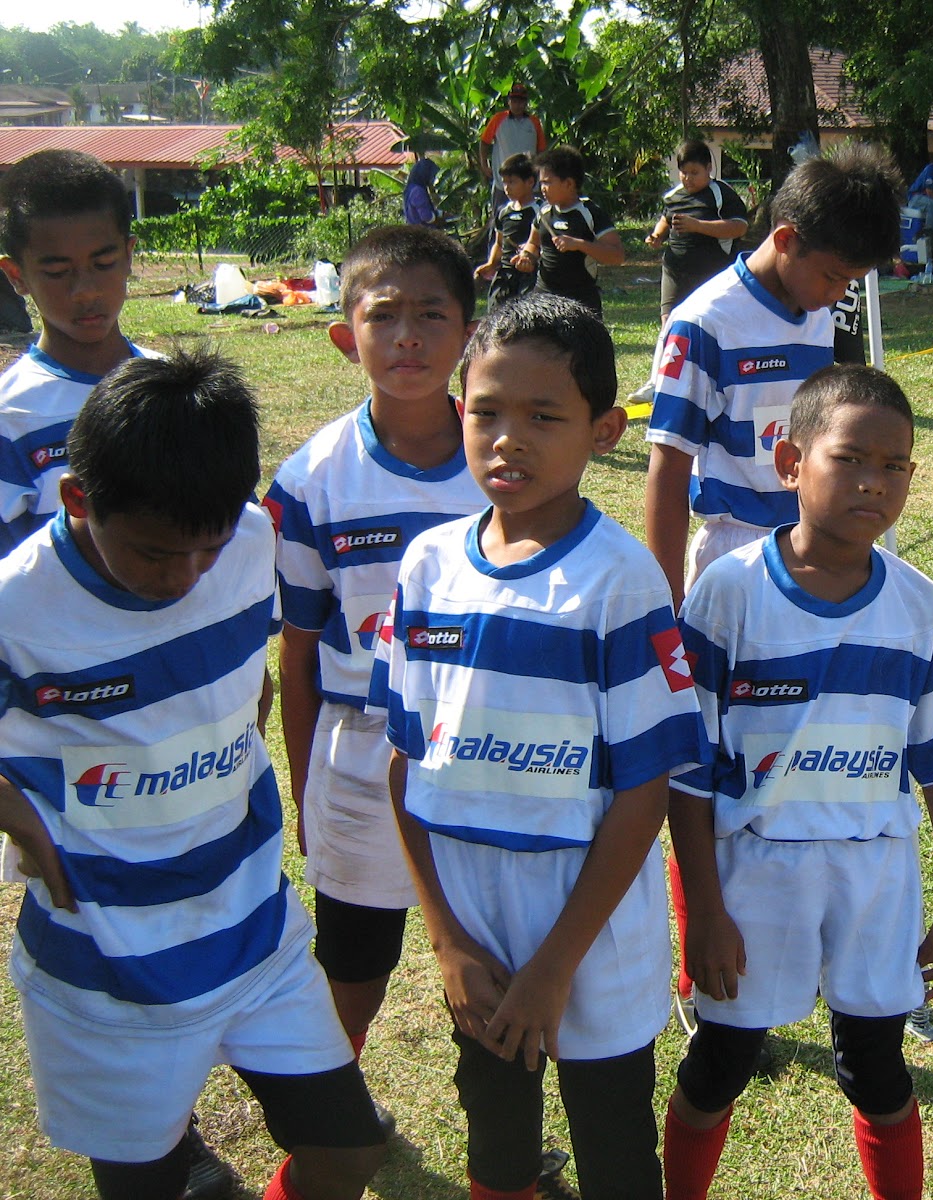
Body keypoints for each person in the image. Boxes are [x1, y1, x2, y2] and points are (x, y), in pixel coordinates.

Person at [0, 349, 388, 1200]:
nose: (183, 579)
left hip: (251, 923)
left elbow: (243, 672)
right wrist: (13, 810)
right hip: (108, 963)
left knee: (349, 1153)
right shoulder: (15, 607)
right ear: (76, 499)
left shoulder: (250, 542)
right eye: (151, 554)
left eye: (203, 553)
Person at [371, 293, 708, 1200]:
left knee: (612, 1152)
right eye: (486, 411)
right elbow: (403, 762)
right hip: (473, 926)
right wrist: (445, 941)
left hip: (590, 933)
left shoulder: (619, 581)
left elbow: (644, 792)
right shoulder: (428, 567)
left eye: (542, 417)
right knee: (497, 1140)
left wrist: (556, 967)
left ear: (603, 432)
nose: (507, 439)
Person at [662, 363, 933, 1200]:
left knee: (875, 1068)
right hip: (757, 871)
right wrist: (702, 908)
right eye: (849, 459)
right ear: (789, 461)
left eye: (895, 467)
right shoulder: (725, 597)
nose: (872, 484)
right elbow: (687, 770)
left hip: (874, 871)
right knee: (722, 1063)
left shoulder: (918, 606)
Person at [643, 141, 902, 1045]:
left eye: (853, 280)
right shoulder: (703, 322)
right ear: (785, 238)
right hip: (738, 571)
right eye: (834, 273)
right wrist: (666, 603)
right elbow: (667, 466)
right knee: (714, 762)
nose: (840, 294)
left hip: (825, 560)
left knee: (826, 743)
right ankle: (700, 964)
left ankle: (850, 956)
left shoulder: (814, 305)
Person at [264, 224, 483, 1122]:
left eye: (432, 315)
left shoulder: (507, 459)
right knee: (353, 966)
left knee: (484, 963)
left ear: (469, 330)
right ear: (342, 333)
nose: (407, 338)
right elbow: (302, 648)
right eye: (383, 315)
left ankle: (501, 1142)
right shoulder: (310, 481)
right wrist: (306, 785)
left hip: (486, 754)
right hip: (360, 756)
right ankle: (327, 1127)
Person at [0, 149, 141, 557]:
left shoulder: (178, 386)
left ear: (129, 255)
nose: (86, 291)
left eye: (104, 262)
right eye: (58, 272)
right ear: (16, 276)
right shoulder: (11, 420)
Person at [645, 139, 751, 325]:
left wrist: (698, 226)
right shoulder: (673, 196)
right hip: (674, 269)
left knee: (707, 322)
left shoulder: (721, 194)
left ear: (709, 168)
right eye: (683, 172)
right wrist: (657, 236)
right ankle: (668, 351)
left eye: (694, 173)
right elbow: (666, 219)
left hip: (711, 271)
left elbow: (739, 227)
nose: (688, 178)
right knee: (669, 320)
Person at [530, 145, 625, 316]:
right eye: (541, 182)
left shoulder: (590, 213)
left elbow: (617, 256)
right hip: (543, 297)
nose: (542, 188)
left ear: (569, 183)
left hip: (580, 299)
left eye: (547, 182)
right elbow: (532, 244)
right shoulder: (543, 212)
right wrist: (526, 257)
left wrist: (579, 244)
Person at [475, 153, 539, 312]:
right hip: (505, 274)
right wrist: (490, 264)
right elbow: (499, 242)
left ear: (530, 182)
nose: (506, 187)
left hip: (529, 276)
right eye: (504, 182)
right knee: (496, 319)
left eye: (512, 182)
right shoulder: (504, 211)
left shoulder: (540, 211)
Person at [478, 83, 546, 210]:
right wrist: (484, 164)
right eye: (514, 101)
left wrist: (541, 172)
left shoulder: (534, 122)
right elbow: (484, 142)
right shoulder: (498, 119)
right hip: (504, 182)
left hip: (529, 181)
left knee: (536, 216)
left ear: (525, 103)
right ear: (509, 102)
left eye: (520, 101)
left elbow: (541, 150)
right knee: (501, 217)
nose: (517, 105)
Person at [402, 149, 442, 227]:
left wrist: (440, 213)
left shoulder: (411, 188)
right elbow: (426, 217)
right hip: (422, 232)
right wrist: (437, 217)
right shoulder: (417, 191)